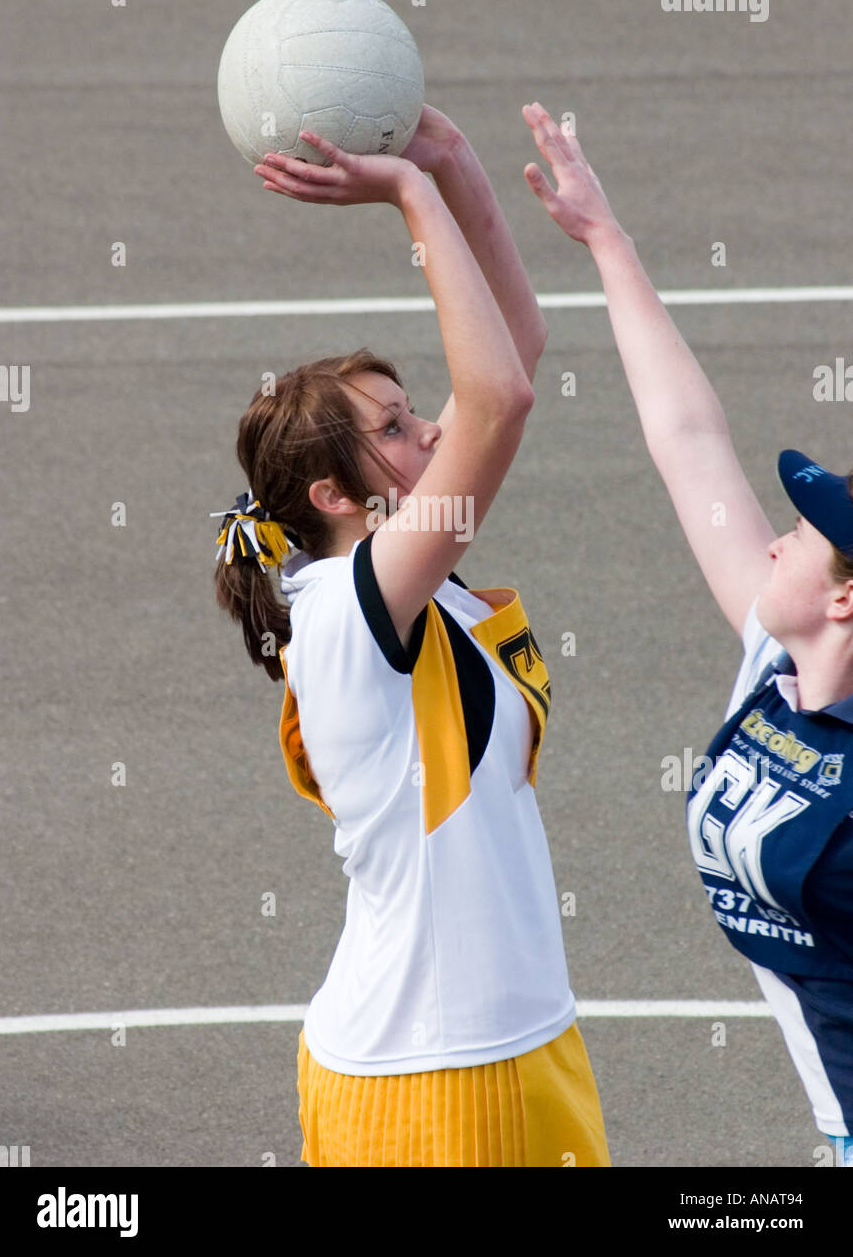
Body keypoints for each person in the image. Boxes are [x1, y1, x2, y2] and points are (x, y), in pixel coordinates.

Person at [211, 106, 610, 1168]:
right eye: (393, 426)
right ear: (334, 492)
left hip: (500, 1045)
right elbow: (499, 395)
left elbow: (512, 343)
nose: (425, 430)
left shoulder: (399, 583)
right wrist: (406, 199)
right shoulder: (348, 607)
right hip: (436, 1076)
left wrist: (453, 169)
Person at [522, 101, 853, 1166]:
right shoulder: (777, 665)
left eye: (797, 537)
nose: (770, 546)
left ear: (840, 597)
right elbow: (686, 437)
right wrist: (603, 239)